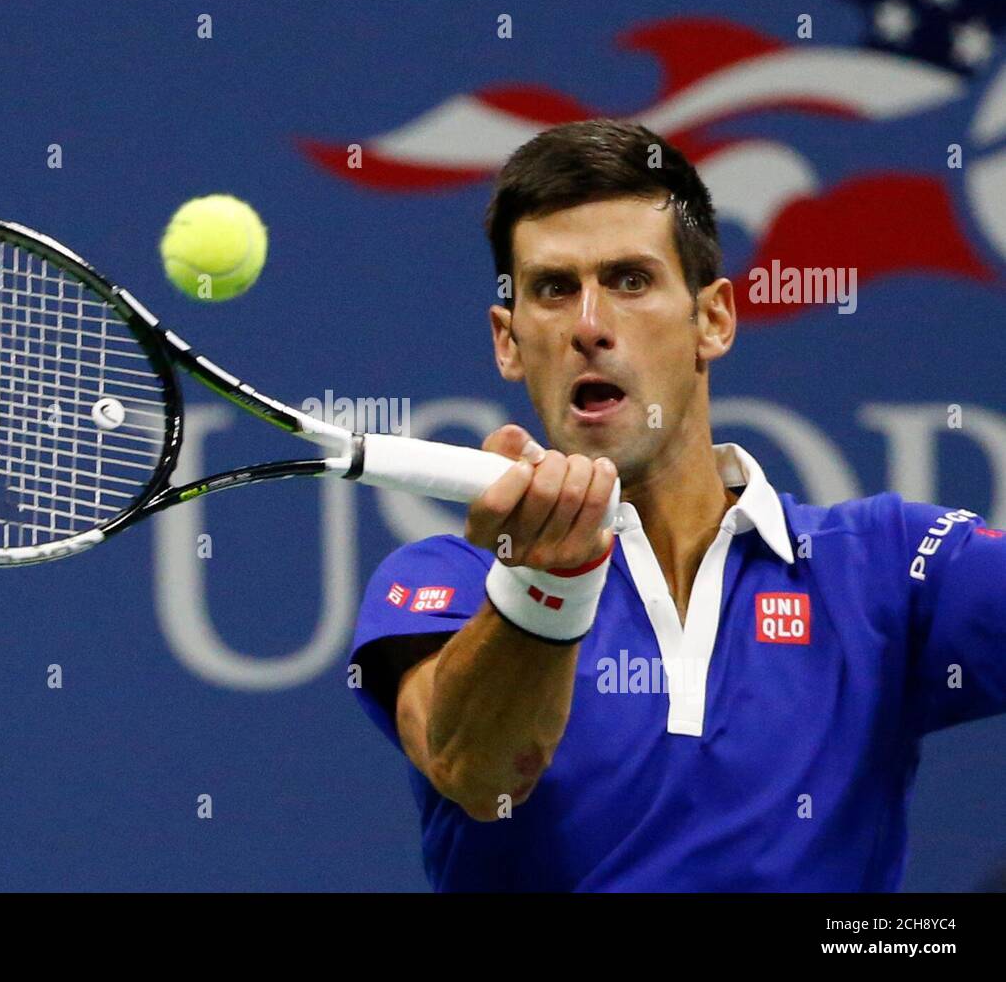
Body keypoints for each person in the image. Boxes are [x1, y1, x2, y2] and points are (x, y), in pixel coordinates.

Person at [348, 118, 1006, 892]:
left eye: (630, 280)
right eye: (554, 290)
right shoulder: (447, 578)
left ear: (713, 319)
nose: (591, 326)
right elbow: (476, 770)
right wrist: (542, 585)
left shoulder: (890, 565)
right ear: (509, 340)